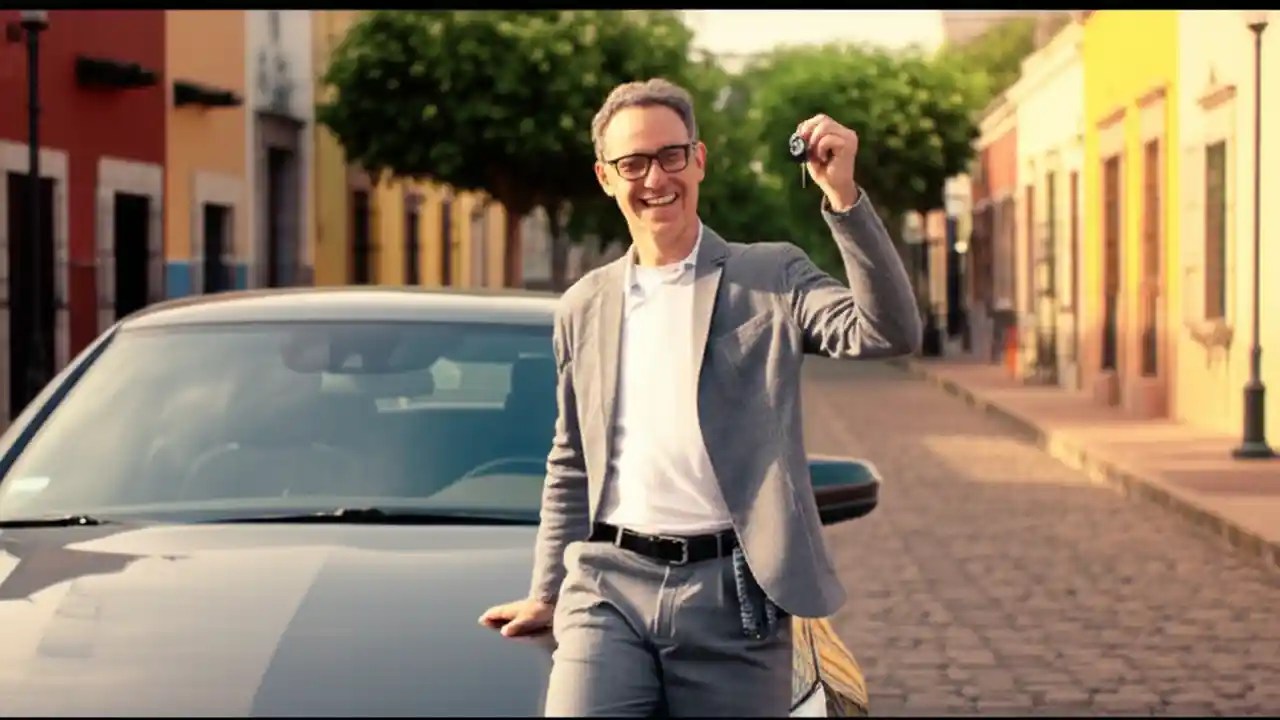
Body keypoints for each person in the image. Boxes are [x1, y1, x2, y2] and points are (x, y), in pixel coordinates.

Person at [480, 77, 921, 716]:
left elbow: (888, 332)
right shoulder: (584, 305)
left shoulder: (770, 275)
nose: (655, 177)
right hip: (608, 586)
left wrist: (844, 198)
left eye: (670, 155)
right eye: (632, 162)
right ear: (606, 177)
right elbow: (572, 459)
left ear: (699, 160)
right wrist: (547, 590)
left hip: (735, 597)